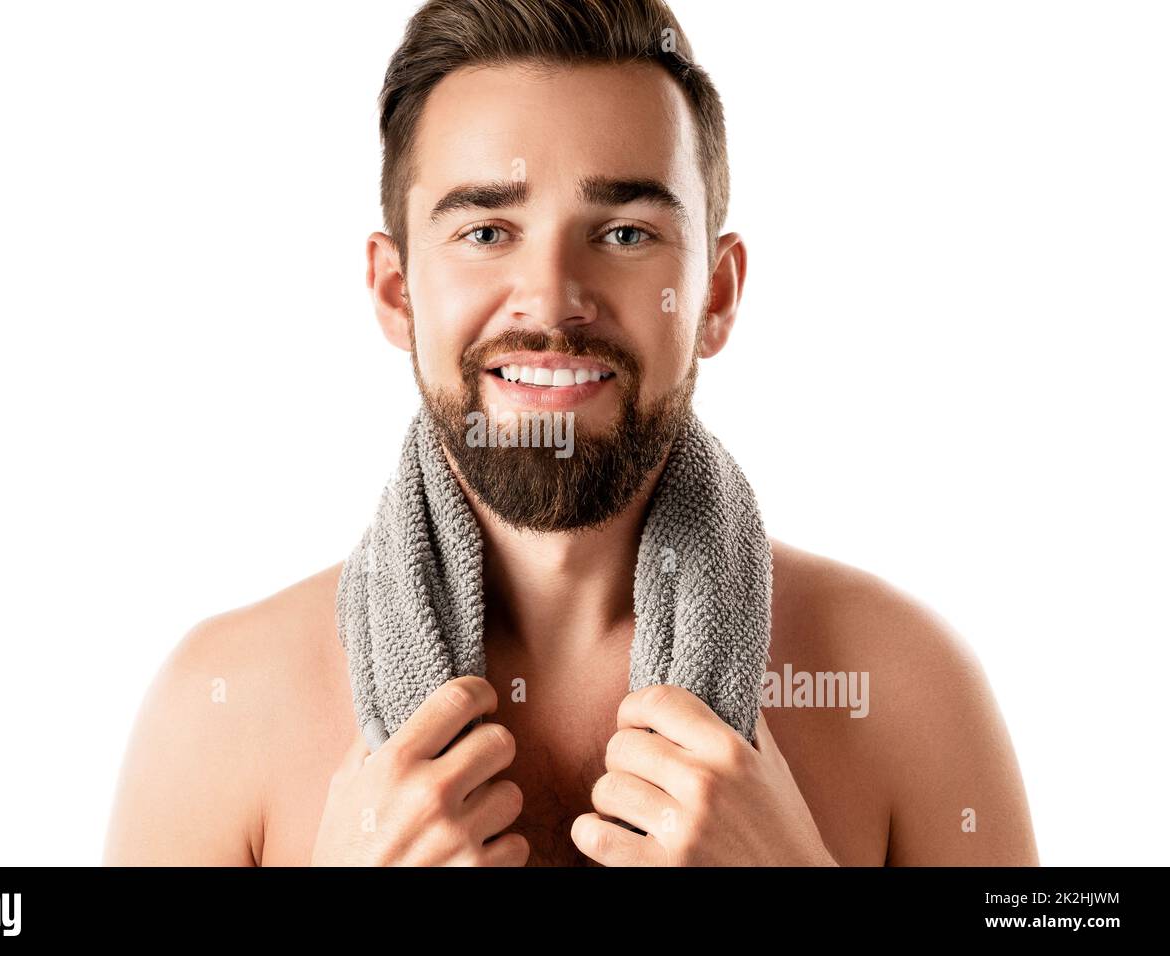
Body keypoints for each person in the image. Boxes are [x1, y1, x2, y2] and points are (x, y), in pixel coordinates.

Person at [104, 0, 1038, 867]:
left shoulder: (908, 690)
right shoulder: (216, 715)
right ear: (396, 291)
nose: (552, 299)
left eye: (625, 232)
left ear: (714, 294)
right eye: (485, 232)